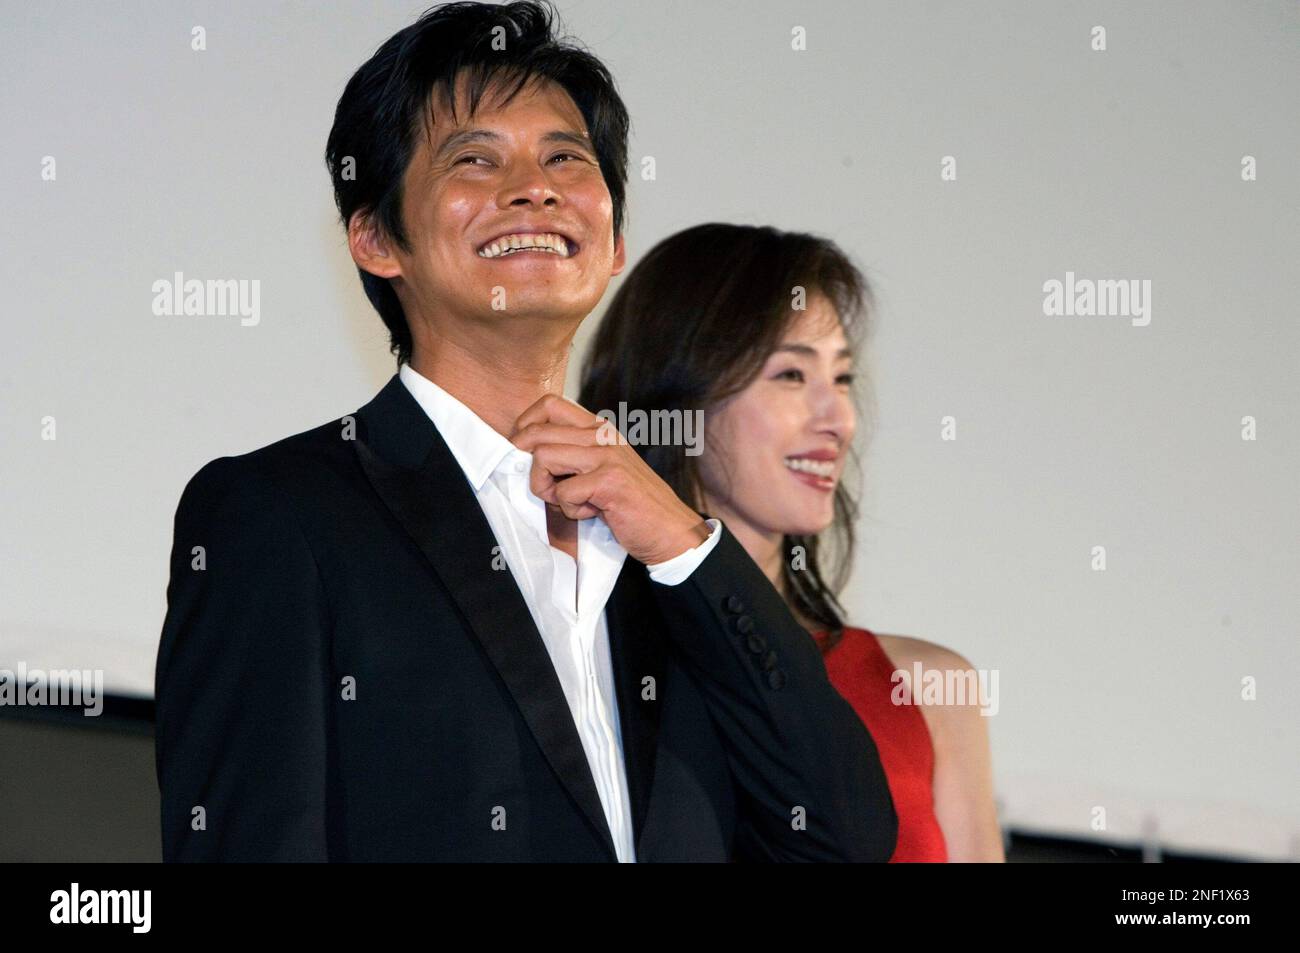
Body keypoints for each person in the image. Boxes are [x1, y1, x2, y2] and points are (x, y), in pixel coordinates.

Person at [154, 1, 896, 862]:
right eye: (475, 158)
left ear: (614, 241)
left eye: (565, 158)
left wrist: (687, 549)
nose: (534, 187)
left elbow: (844, 836)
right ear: (374, 238)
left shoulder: (670, 556)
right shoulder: (280, 516)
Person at [579, 223, 1004, 861]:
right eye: (790, 376)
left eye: (842, 379)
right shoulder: (592, 665)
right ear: (681, 398)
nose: (838, 419)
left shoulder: (927, 686)